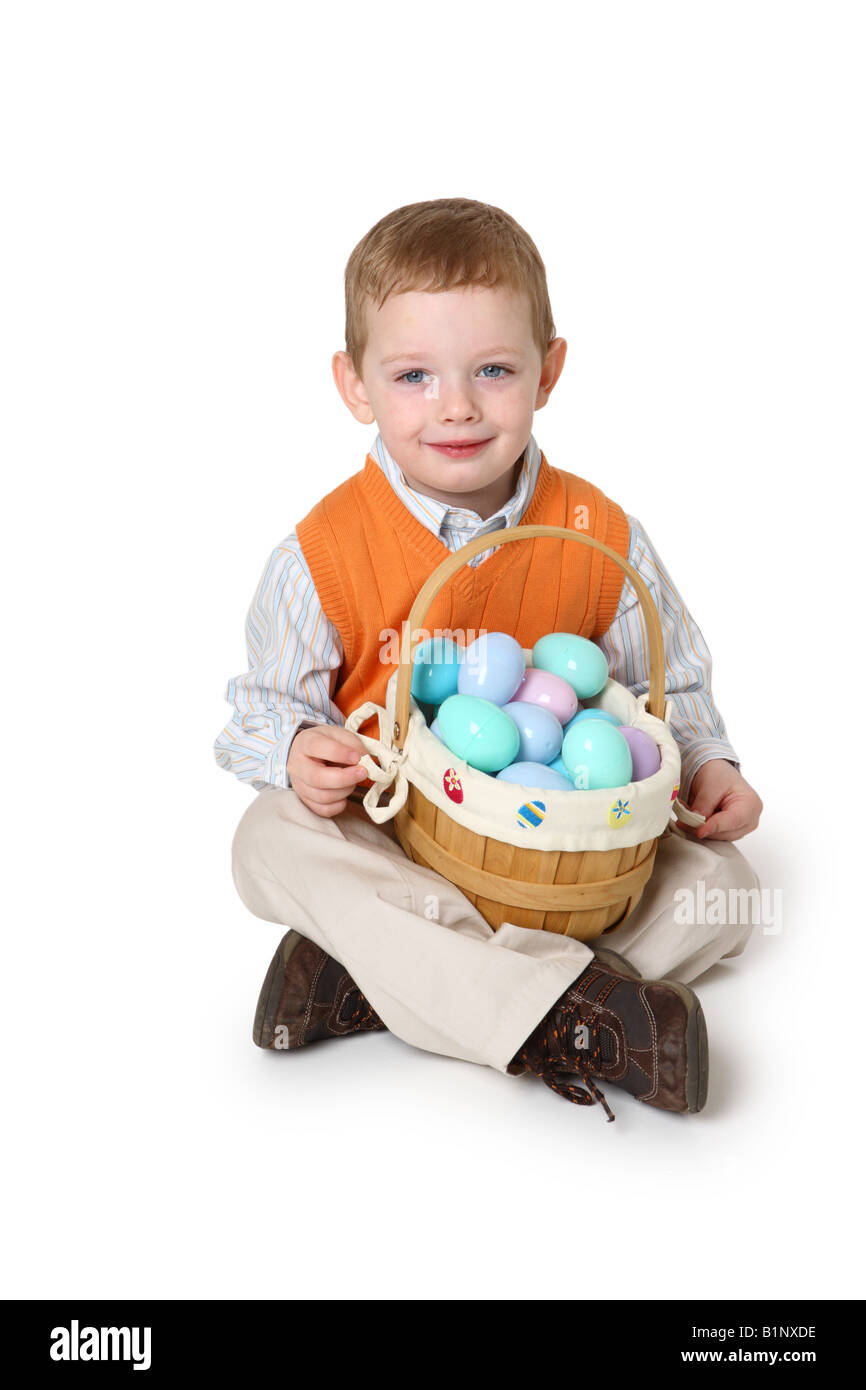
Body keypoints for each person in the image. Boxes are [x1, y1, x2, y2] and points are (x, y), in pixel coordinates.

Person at [215, 197, 763, 1122]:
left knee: (732, 892)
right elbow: (257, 714)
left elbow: (670, 684)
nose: (458, 406)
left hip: (567, 858)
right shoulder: (322, 552)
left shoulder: (598, 531)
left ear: (549, 372)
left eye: (495, 370)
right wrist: (294, 755)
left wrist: (710, 765)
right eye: (415, 376)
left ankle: (379, 980)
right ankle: (578, 1012)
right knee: (266, 841)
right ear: (354, 385)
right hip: (399, 838)